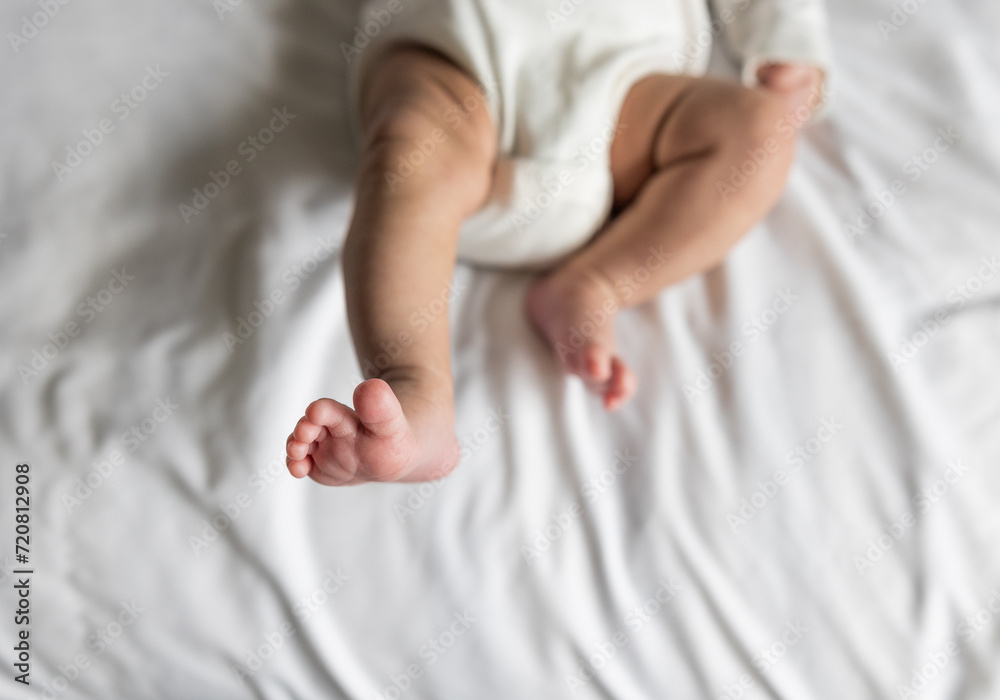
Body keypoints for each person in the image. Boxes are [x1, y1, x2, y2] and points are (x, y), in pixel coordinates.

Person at [286, 0, 831, 485]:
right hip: (457, 52)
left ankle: (597, 281)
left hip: (623, 86)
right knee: (412, 156)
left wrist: (787, 41)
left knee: (760, 130)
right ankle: (413, 388)